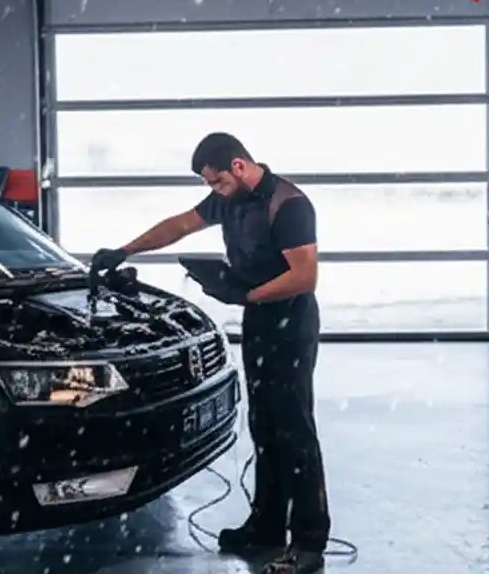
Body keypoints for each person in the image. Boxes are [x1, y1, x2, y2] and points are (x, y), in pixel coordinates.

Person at [91, 132, 330, 574]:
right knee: (264, 424)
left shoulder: (289, 204)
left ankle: (310, 542)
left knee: (294, 427)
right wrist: (124, 250)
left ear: (239, 167)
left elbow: (305, 277)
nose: (213, 192)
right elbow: (179, 224)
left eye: (216, 181)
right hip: (259, 319)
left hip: (292, 322)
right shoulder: (229, 200)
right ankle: (267, 527)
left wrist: (245, 295)